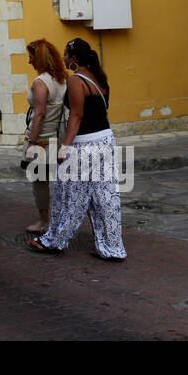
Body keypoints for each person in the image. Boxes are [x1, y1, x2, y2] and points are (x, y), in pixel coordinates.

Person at [29, 37, 127, 261]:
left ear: (73, 59)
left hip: (84, 144)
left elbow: (77, 115)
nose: (63, 58)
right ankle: (112, 248)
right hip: (106, 141)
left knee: (69, 196)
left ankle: (54, 241)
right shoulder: (98, 78)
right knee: (106, 197)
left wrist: (65, 147)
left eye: (65, 54)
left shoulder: (75, 80)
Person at [22, 39, 69, 234]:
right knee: (59, 182)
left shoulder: (41, 82)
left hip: (42, 139)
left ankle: (44, 222)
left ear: (39, 58)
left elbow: (39, 114)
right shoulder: (62, 80)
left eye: (31, 57)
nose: (29, 61)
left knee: (40, 183)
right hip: (57, 138)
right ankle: (60, 219)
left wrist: (32, 142)